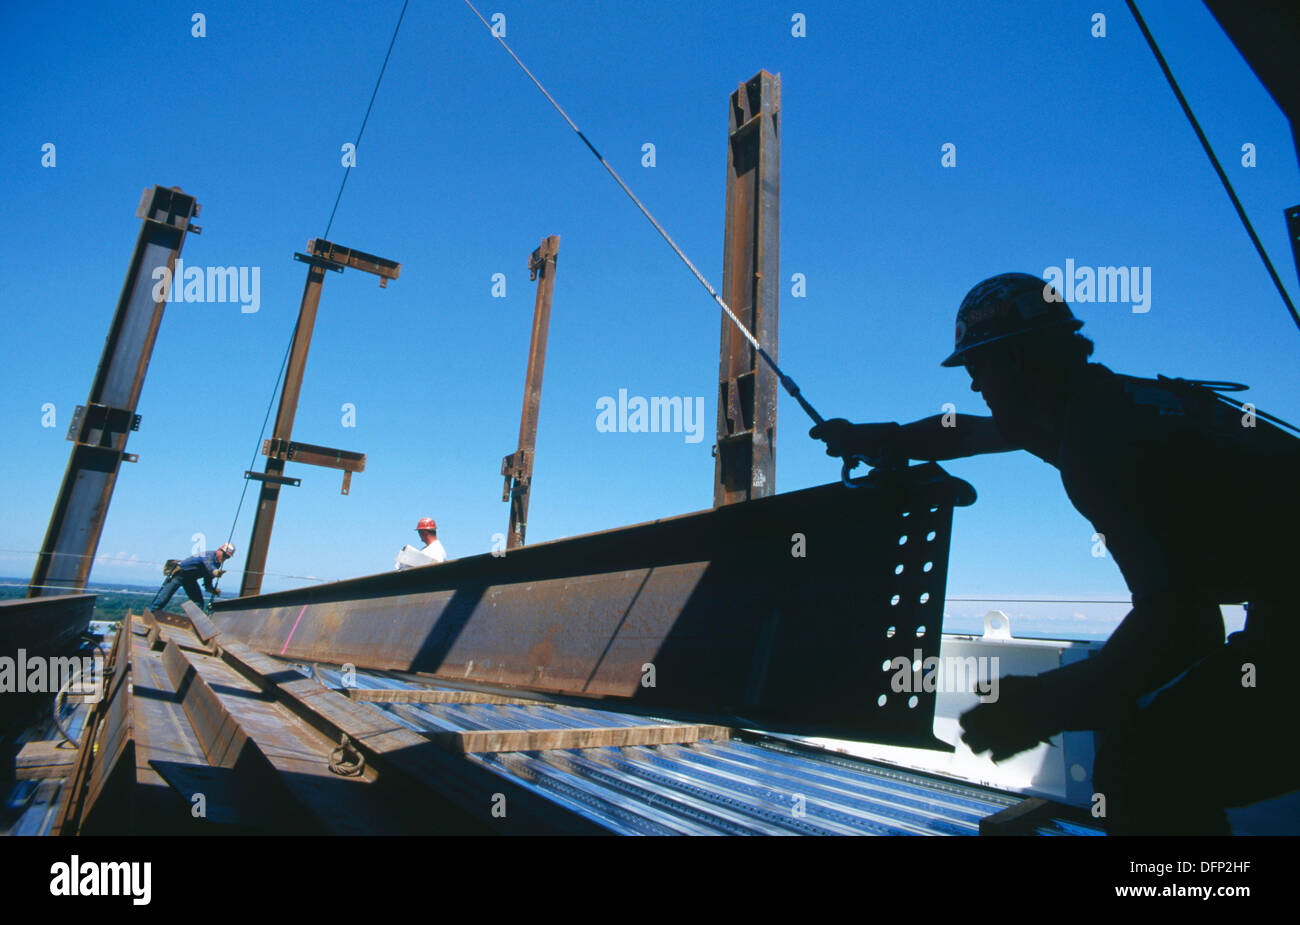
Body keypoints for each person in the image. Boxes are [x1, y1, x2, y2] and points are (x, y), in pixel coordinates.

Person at [810, 272, 1299, 834]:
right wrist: (885, 440)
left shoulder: (1102, 442)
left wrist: (1039, 704)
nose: (974, 387)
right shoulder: (1113, 404)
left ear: (1017, 361)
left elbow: (1184, 629)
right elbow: (968, 434)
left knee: (1145, 768)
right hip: (1283, 613)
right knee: (1135, 735)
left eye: (978, 369)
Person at [150, 542, 236, 613]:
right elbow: (209, 566)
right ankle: (152, 614)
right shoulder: (208, 555)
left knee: (199, 603)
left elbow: (208, 578)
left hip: (190, 580)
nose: (225, 558)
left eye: (227, 557)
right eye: (224, 555)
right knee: (163, 599)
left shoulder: (217, 564)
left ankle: (193, 623)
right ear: (219, 550)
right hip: (180, 574)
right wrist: (214, 572)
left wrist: (211, 589)